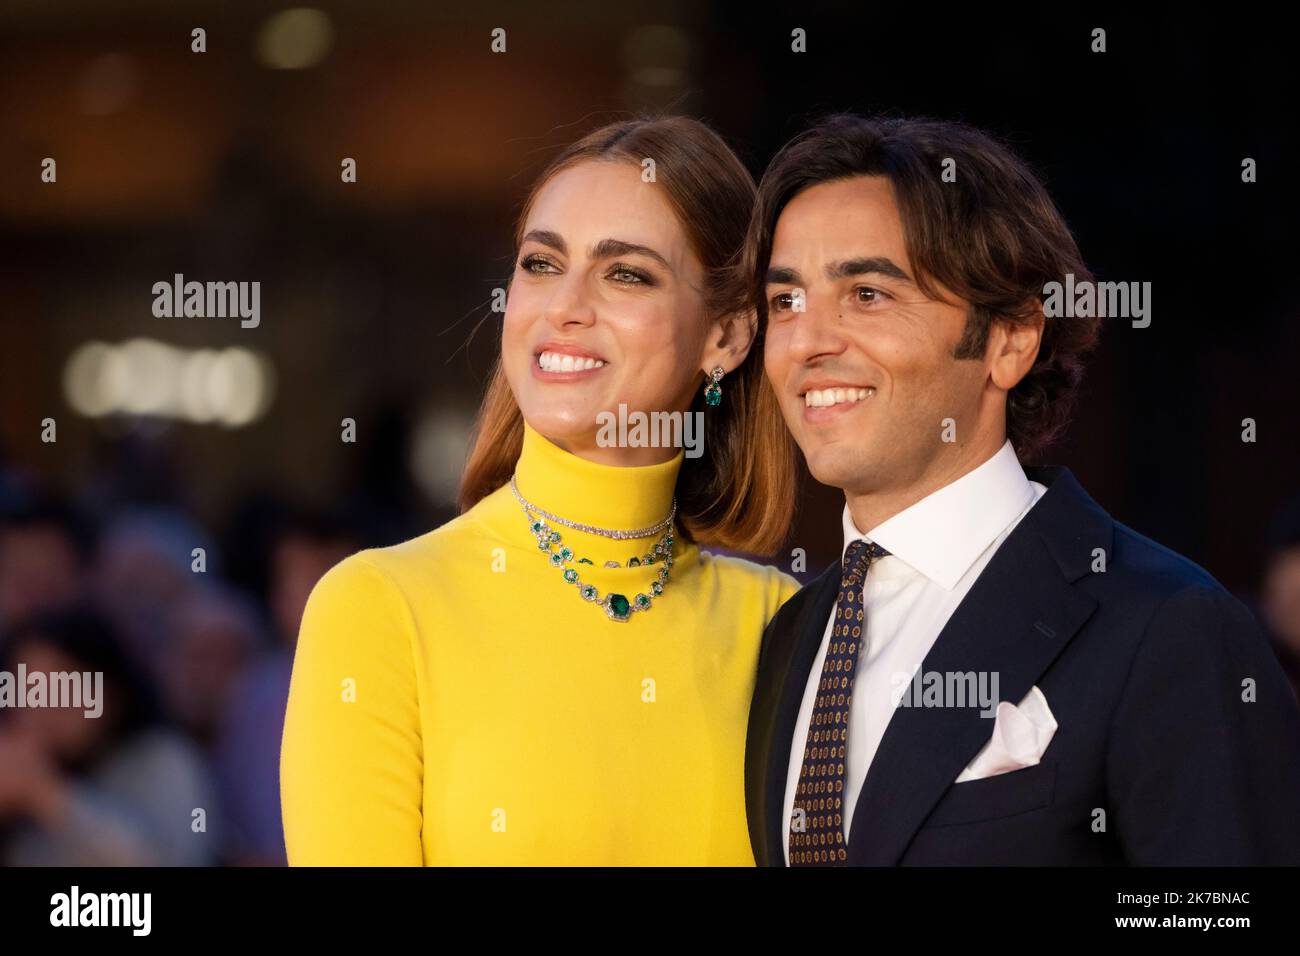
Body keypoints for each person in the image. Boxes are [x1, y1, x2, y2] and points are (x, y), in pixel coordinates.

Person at [742, 114, 1300, 865]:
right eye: (786, 302)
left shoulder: (1168, 627)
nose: (808, 342)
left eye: (868, 294)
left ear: (1010, 339)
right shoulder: (792, 637)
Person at [281, 116, 801, 865]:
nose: (565, 307)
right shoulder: (380, 609)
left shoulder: (780, 625)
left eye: (626, 273)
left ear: (726, 336)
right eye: (541, 264)